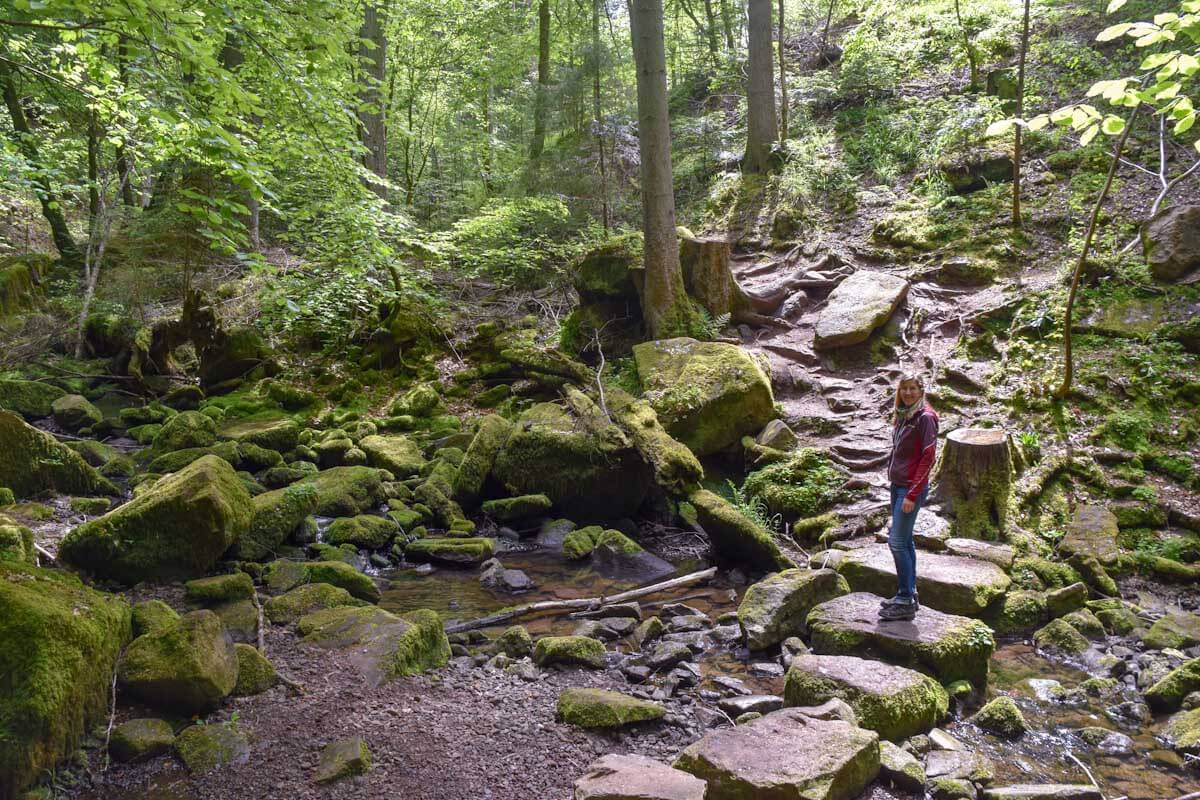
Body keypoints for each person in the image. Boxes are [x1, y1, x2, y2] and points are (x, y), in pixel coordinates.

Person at [878, 372, 938, 622]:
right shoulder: (905, 416)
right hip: (898, 485)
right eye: (904, 389)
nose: (908, 393)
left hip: (910, 489)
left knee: (897, 542)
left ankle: (904, 600)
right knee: (906, 541)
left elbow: (928, 457)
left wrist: (912, 494)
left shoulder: (925, 417)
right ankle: (909, 595)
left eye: (913, 388)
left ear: (921, 390)